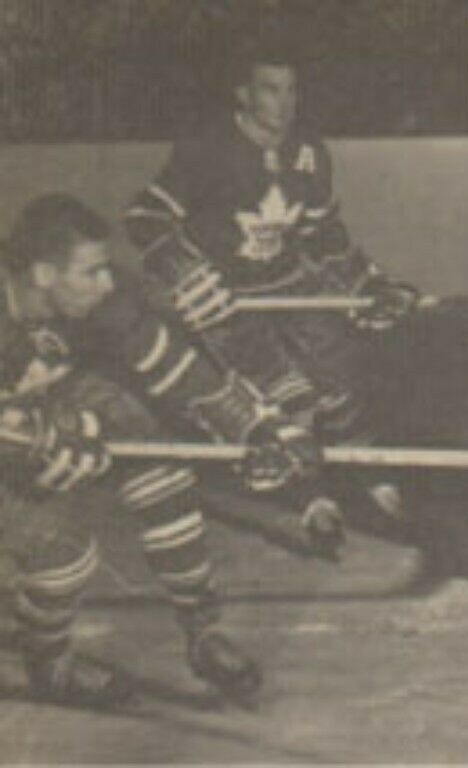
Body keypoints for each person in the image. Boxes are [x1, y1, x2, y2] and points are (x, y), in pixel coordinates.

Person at [2, 194, 321, 704]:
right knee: (64, 562)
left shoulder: (103, 300)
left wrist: (252, 427)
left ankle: (203, 630)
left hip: (40, 405)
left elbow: (175, 367)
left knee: (150, 449)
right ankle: (49, 664)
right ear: (42, 274)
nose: (107, 283)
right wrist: (34, 438)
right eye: (91, 272)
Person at [122, 39, 422, 559]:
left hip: (292, 285)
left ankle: (371, 477)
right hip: (231, 300)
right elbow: (143, 217)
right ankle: (314, 501)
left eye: (291, 90)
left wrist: (367, 282)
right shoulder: (205, 149)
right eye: (269, 89)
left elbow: (323, 232)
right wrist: (185, 272)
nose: (283, 103)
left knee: (341, 383)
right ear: (243, 93)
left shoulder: (309, 150)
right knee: (289, 398)